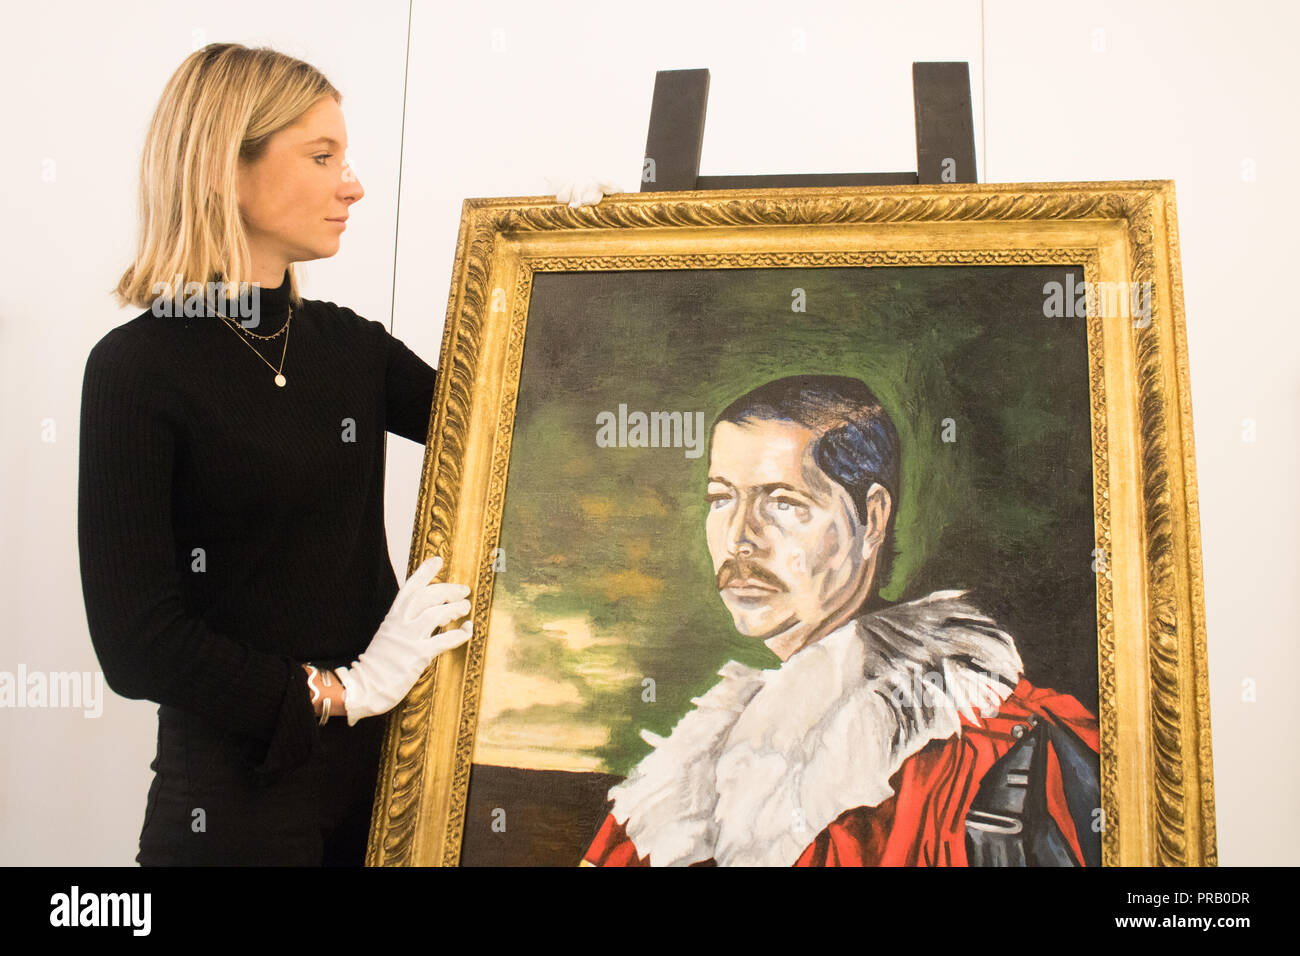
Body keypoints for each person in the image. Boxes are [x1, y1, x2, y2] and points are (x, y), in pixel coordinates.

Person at [77, 43, 613, 866]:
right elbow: (138, 642)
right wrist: (338, 692)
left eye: (347, 157)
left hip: (392, 800)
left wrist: (582, 265)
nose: (352, 184)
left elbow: (529, 426)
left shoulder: (348, 349)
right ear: (224, 168)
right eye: (322, 156)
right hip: (232, 820)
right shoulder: (138, 369)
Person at [581, 374, 1101, 866]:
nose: (740, 537)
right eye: (721, 499)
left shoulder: (993, 748)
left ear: (871, 518)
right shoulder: (691, 763)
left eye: (783, 503)